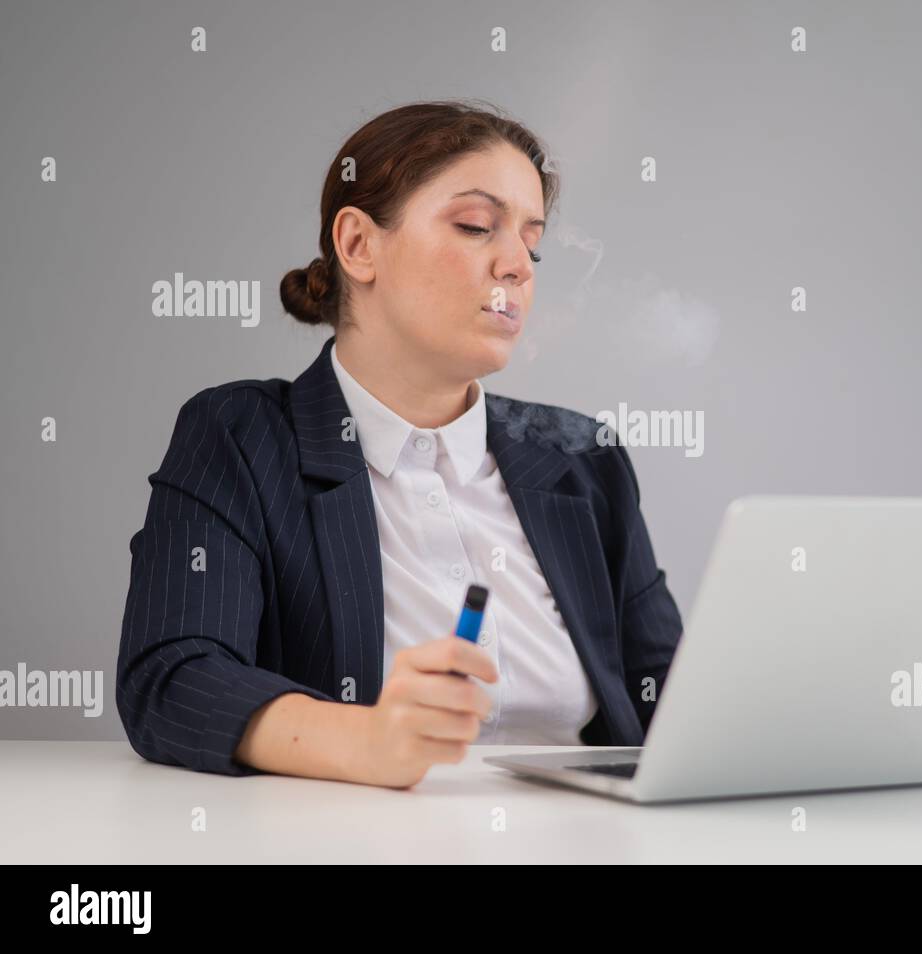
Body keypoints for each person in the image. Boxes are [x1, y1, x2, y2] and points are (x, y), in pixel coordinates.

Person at [115, 100, 684, 789]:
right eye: (477, 226)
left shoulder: (584, 460)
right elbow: (170, 677)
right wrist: (366, 740)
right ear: (358, 246)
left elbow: (673, 706)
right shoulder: (241, 435)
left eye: (532, 244)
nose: (518, 266)